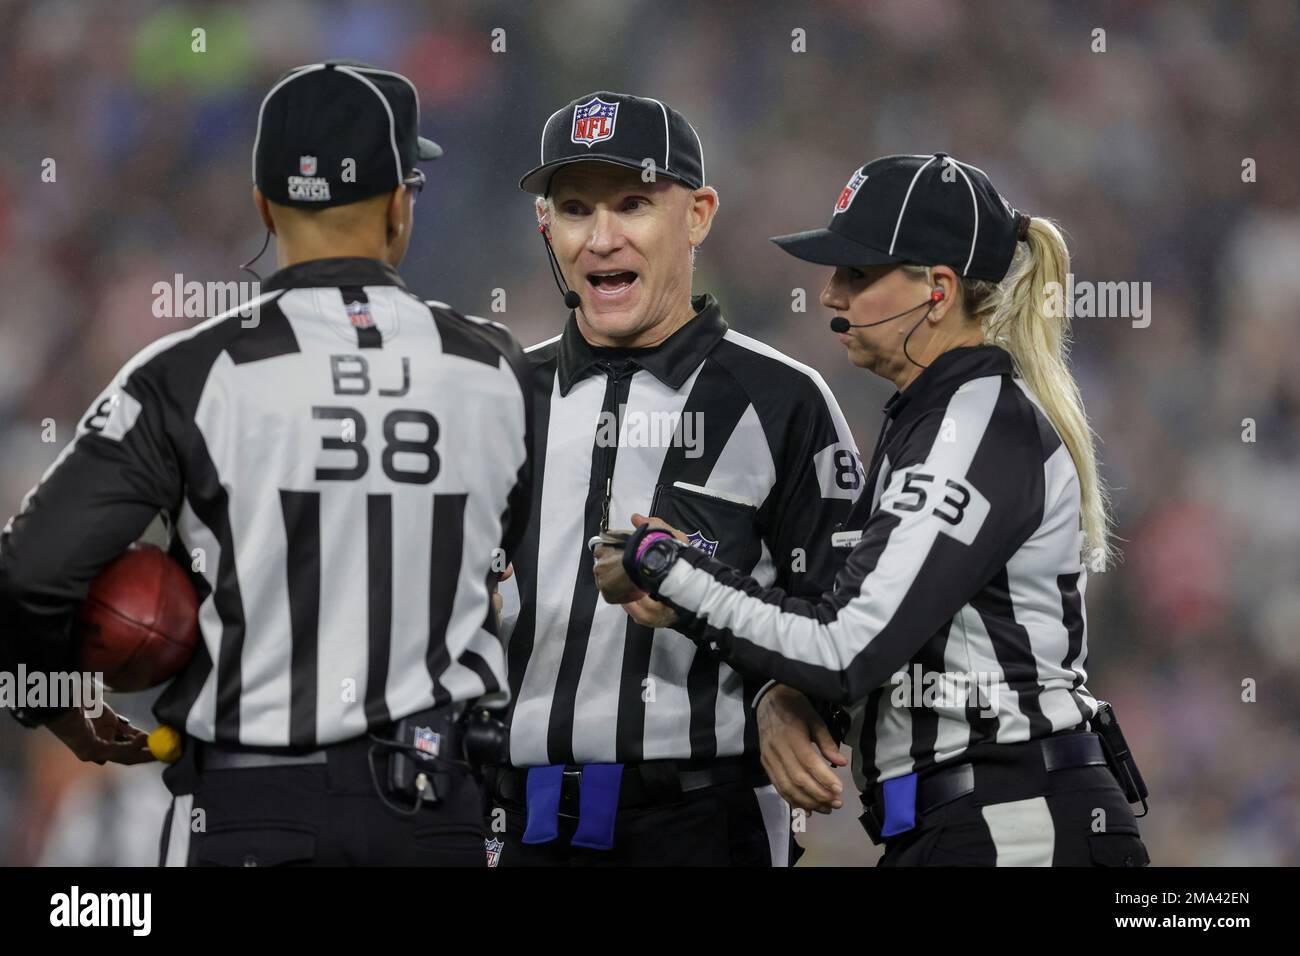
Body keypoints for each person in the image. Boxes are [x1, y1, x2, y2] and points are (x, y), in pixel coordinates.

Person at [0, 60, 533, 866]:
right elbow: (529, 573)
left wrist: (57, 701)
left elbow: (32, 572)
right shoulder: (499, 365)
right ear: (400, 204)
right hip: (439, 807)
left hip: (258, 809)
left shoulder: (183, 373)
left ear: (263, 205)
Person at [596, 152, 1151, 866]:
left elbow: (847, 647)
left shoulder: (972, 427)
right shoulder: (931, 418)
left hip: (1015, 824)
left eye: (858, 274)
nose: (830, 295)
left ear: (938, 290)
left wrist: (665, 568)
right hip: (959, 821)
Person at [490, 91, 864, 865]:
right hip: (512, 819)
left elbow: (850, 615)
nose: (601, 237)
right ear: (544, 227)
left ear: (697, 215)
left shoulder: (783, 400)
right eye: (573, 208)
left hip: (701, 821)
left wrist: (783, 695)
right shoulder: (494, 398)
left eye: (632, 203)